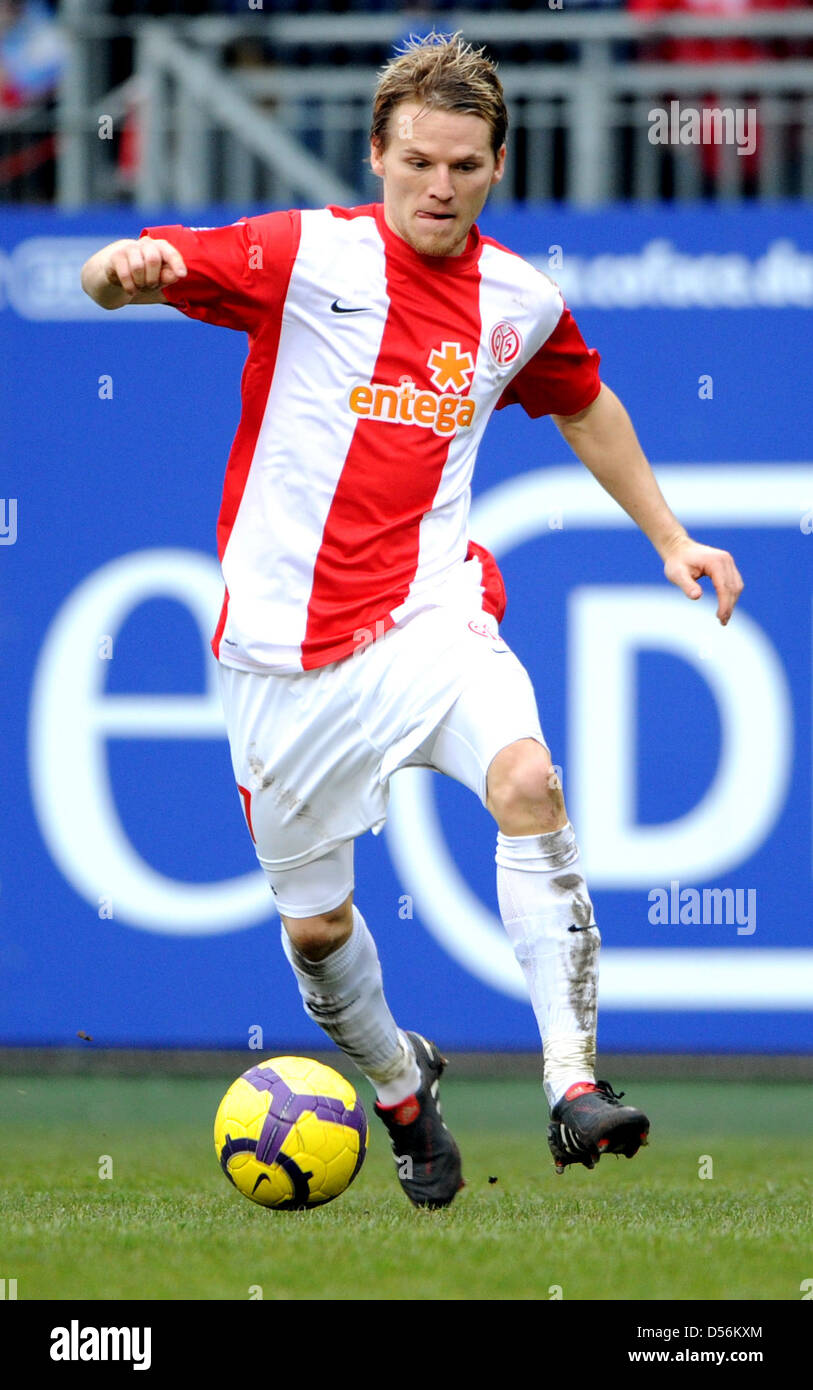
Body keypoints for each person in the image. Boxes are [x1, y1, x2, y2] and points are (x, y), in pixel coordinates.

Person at [80, 32, 743, 1210]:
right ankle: (398, 1086)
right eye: (420, 161)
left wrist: (670, 535)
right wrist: (118, 273)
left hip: (433, 615)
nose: (440, 186)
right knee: (321, 930)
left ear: (497, 168)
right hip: (280, 660)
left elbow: (583, 402)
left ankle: (572, 1086)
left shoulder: (517, 300)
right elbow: (132, 269)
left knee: (531, 780)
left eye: (466, 165)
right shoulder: (302, 254)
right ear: (377, 153)